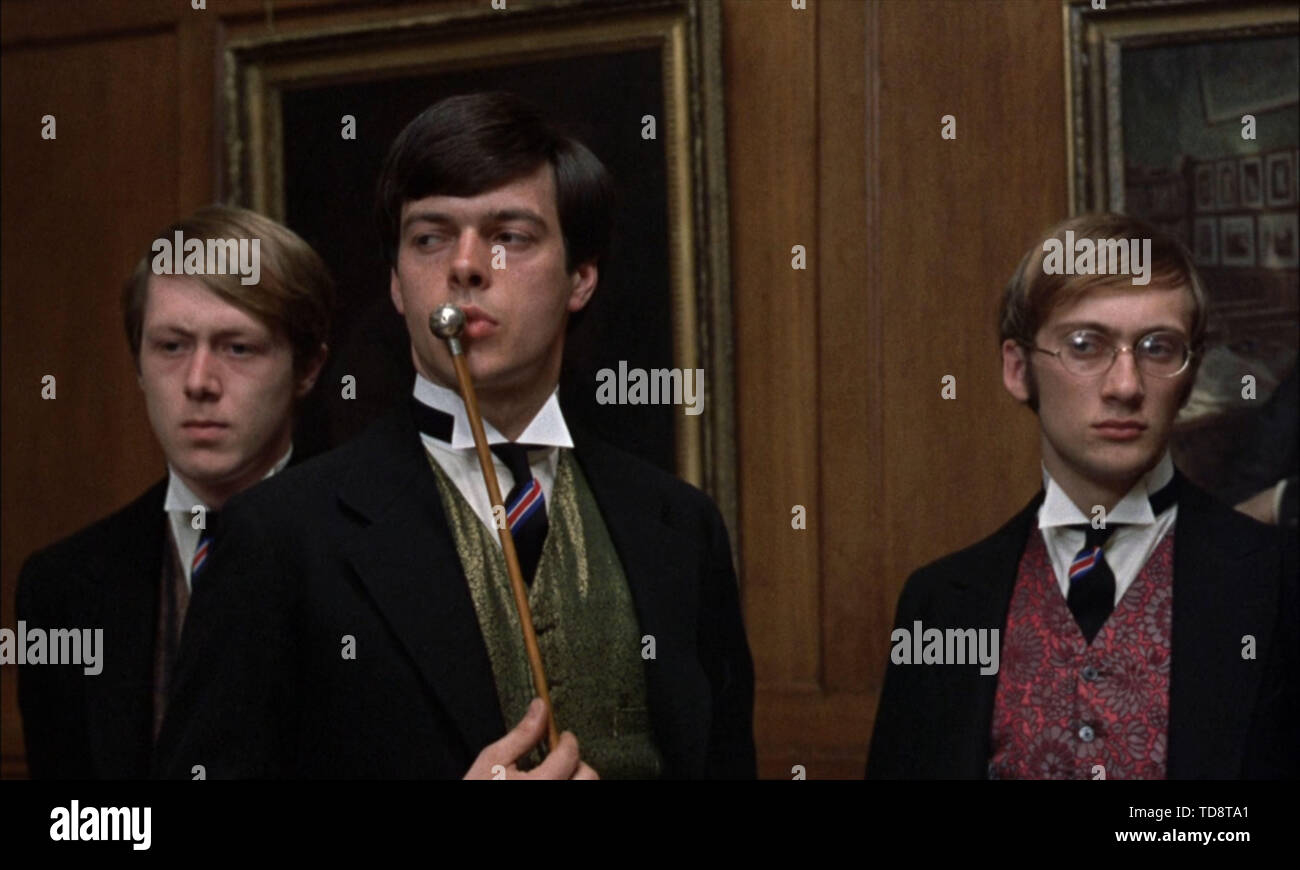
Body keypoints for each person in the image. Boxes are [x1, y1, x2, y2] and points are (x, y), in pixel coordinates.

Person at [155, 92, 756, 779]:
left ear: (580, 279)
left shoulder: (680, 526)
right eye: (430, 237)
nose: (466, 265)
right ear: (396, 284)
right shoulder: (278, 536)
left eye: (510, 236)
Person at [866, 213, 1297, 779]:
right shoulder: (942, 605)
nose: (1126, 385)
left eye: (1158, 348)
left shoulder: (1280, 583)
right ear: (1018, 369)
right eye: (1085, 345)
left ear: (1189, 375)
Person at [17, 206, 333, 778]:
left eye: (238, 348)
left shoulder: (375, 558)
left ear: (307, 367)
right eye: (171, 346)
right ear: (138, 364)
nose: (198, 382)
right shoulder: (62, 587)